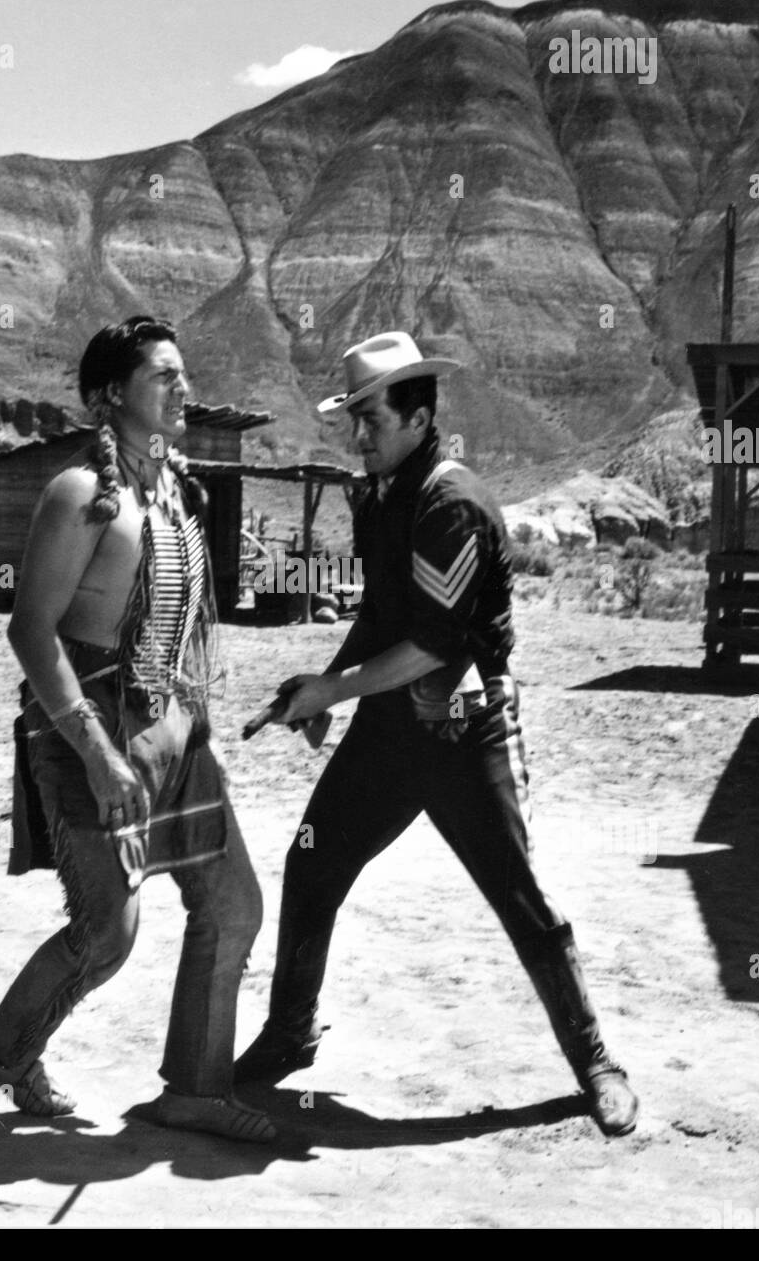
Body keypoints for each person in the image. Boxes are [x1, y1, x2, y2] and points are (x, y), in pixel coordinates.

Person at [235, 331, 640, 1137]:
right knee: (312, 863)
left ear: (420, 419)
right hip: (390, 731)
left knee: (519, 895)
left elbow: (432, 643)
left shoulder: (450, 504)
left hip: (467, 733)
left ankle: (596, 1063)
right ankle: (290, 1033)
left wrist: (335, 688)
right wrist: (321, 691)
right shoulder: (382, 495)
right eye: (354, 420)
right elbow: (384, 619)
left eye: (373, 420)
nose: (359, 436)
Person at [0, 316, 274, 1144]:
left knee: (234, 906)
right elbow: (31, 631)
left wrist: (194, 724)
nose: (184, 389)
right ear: (111, 395)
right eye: (163, 376)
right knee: (109, 935)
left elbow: (180, 629)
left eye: (184, 374)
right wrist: (99, 755)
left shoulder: (175, 492)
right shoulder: (79, 494)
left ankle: (197, 1090)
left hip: (174, 729)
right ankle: (9, 1047)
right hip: (90, 730)